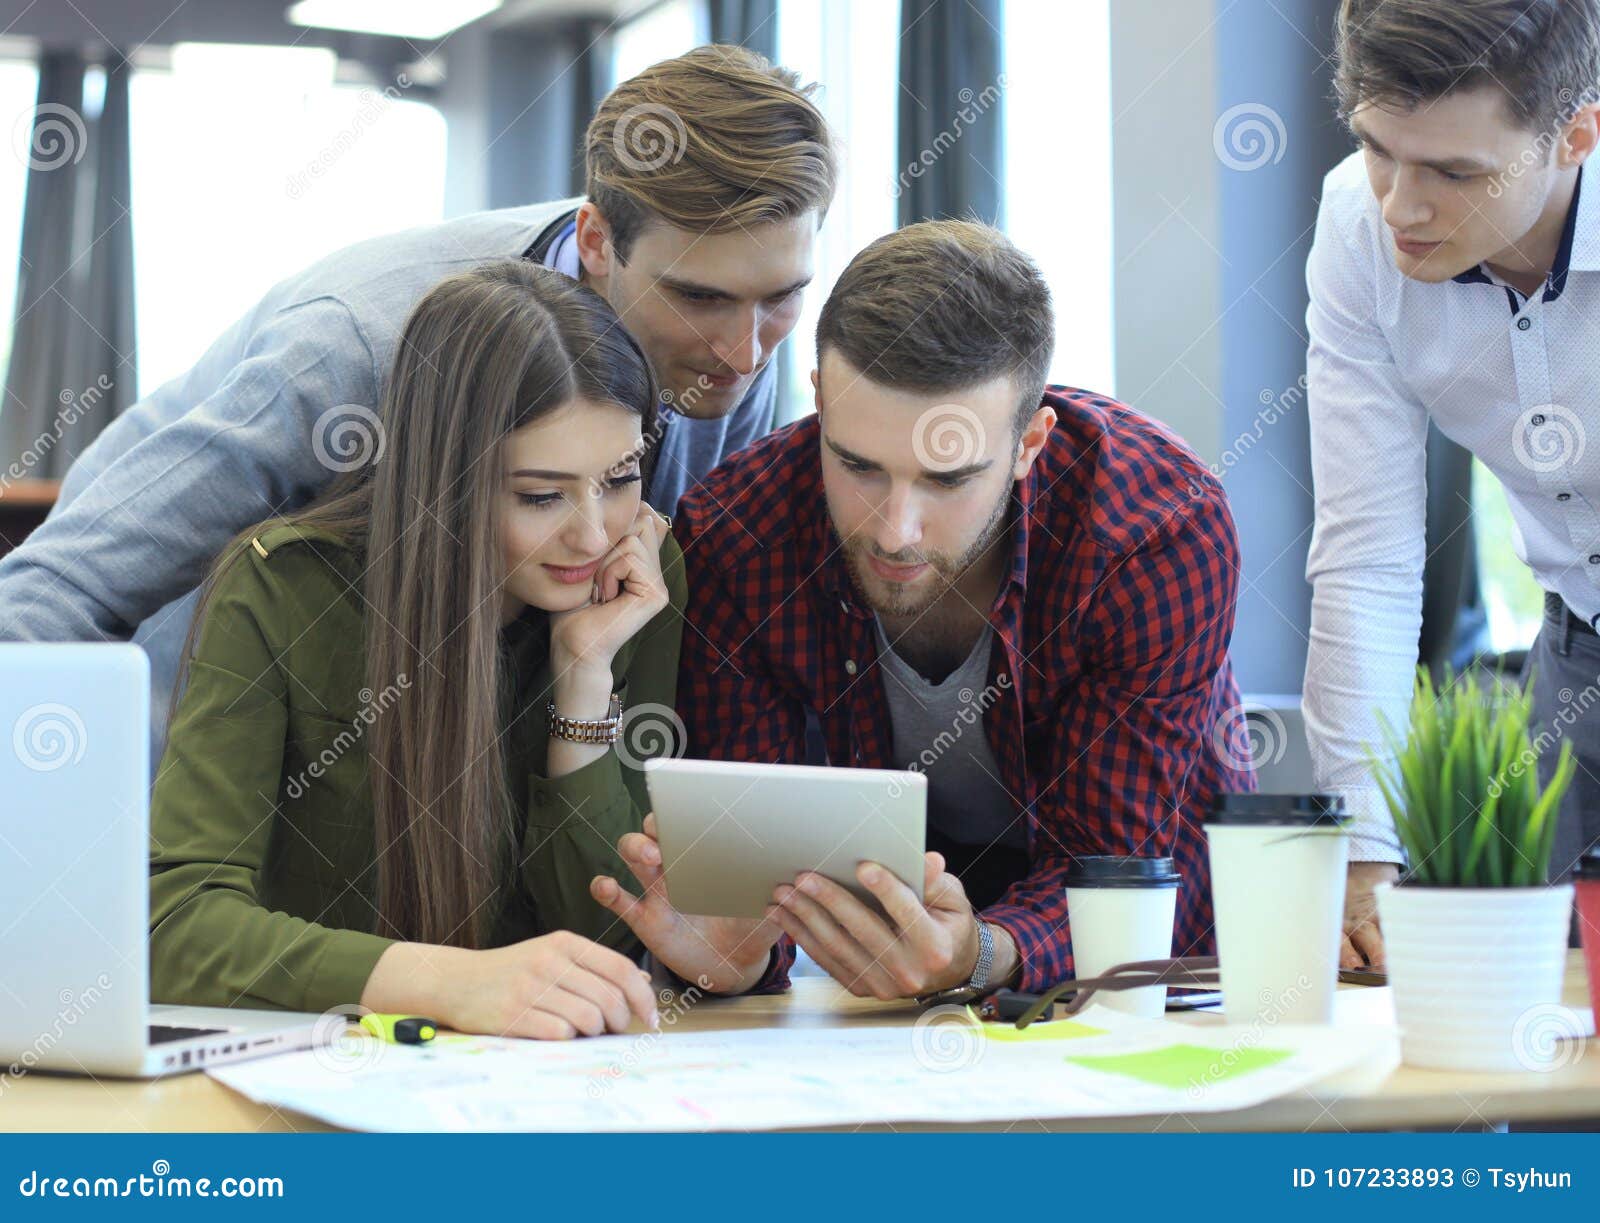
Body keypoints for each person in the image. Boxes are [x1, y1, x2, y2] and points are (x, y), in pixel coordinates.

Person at [0, 44, 836, 759]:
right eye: (701, 299)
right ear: (596, 241)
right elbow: (51, 597)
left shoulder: (736, 352)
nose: (744, 351)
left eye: (781, 298)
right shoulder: (361, 342)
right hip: (176, 689)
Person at [588, 221, 1254, 999]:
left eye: (947, 480)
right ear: (820, 399)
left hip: (1161, 974)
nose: (895, 532)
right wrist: (732, 957)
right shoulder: (739, 533)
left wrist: (982, 953)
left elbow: (1119, 873)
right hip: (874, 989)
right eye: (858, 465)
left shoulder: (1156, 529)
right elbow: (749, 871)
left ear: (1032, 441)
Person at [149, 261, 685, 1040]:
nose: (595, 533)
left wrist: (583, 683)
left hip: (546, 1089)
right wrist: (449, 981)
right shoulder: (282, 589)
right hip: (319, 1081)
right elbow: (178, 929)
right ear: (447, 479)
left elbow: (608, 943)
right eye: (541, 495)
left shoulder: (637, 583)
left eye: (621, 477)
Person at [1304, 0, 1600, 967]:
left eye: (1456, 172)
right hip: (1576, 652)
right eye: (1381, 149)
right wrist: (1363, 846)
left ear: (1577, 136)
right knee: (1527, 1040)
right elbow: (1369, 555)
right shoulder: (1359, 226)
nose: (1401, 205)